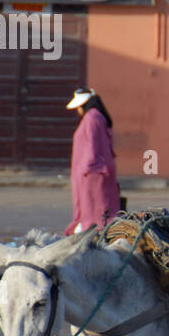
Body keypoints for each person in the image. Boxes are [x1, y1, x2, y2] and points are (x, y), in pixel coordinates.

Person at [63, 88, 120, 236]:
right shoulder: (98, 117)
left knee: (94, 208)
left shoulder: (92, 118)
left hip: (93, 171)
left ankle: (93, 232)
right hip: (96, 169)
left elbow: (93, 146)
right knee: (97, 207)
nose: (78, 111)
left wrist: (87, 168)